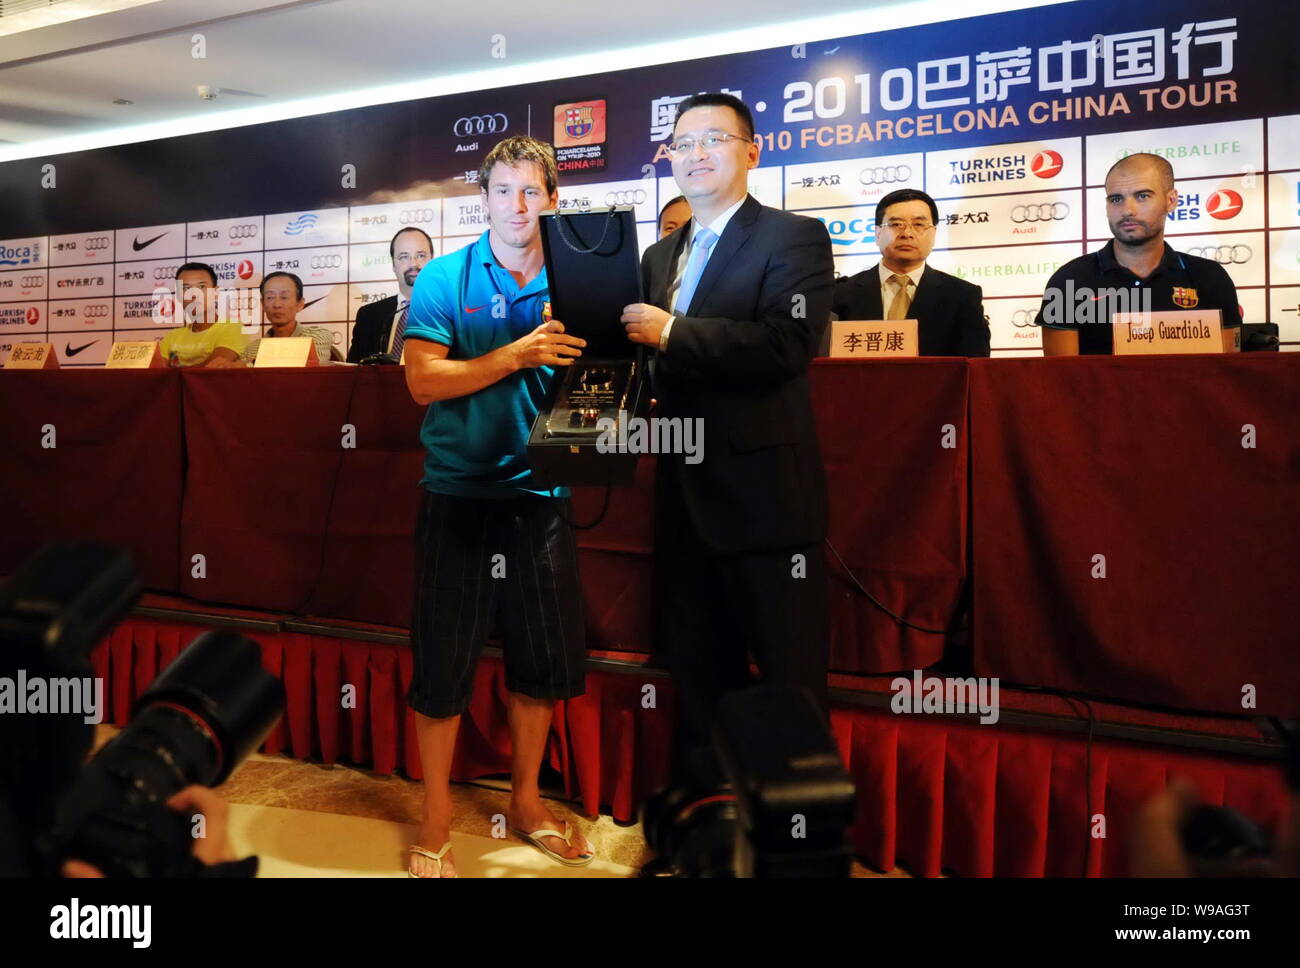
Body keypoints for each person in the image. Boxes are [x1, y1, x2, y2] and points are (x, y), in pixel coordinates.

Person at [621, 92, 834, 794]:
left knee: (788, 685)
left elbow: (787, 344)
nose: (695, 153)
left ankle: (794, 848)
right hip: (683, 501)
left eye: (712, 138)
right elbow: (651, 366)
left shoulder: (793, 237)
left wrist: (672, 332)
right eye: (681, 144)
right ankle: (700, 832)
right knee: (695, 677)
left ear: (752, 150)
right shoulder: (657, 256)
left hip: (766, 504)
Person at [400, 135, 593, 878]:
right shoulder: (445, 277)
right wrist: (517, 352)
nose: (517, 204)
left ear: (552, 197)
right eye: (503, 189)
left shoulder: (579, 278)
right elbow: (423, 381)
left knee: (539, 667)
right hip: (457, 496)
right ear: (481, 198)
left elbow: (602, 378)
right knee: (442, 668)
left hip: (541, 499)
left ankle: (527, 804)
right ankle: (437, 819)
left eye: (530, 190)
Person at [1037, 152, 1241, 355]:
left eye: (1142, 196)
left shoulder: (1210, 277)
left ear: (1171, 200)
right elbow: (1061, 381)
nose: (1128, 210)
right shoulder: (1069, 281)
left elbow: (1227, 373)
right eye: (1116, 199)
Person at [831, 188, 989, 356]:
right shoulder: (840, 293)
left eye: (919, 225)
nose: (907, 233)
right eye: (896, 224)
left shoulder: (962, 296)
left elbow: (974, 366)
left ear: (934, 234)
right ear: (877, 234)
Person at [347, 227, 433, 362]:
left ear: (432, 261)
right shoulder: (368, 315)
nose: (413, 263)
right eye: (404, 257)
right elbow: (353, 373)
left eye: (421, 255)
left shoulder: (454, 312)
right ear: (393, 264)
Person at [158, 262, 246, 367]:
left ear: (216, 292)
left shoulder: (233, 328)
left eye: (201, 287)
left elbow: (209, 370)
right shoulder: (172, 337)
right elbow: (157, 372)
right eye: (186, 288)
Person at [240, 271, 334, 365]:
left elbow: (310, 366)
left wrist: (252, 364)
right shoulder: (253, 348)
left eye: (284, 297)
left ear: (300, 304)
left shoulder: (317, 336)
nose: (277, 305)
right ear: (263, 304)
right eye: (270, 297)